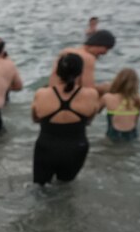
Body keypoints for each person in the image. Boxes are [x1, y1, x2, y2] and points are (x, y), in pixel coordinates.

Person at [31, 53, 99, 185]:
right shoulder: (91, 94)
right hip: (77, 148)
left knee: (40, 188)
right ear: (81, 72)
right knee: (65, 187)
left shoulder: (42, 94)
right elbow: (89, 120)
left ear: (57, 72)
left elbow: (35, 118)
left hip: (46, 148)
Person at [51, 30, 116, 95]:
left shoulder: (65, 51)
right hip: (71, 100)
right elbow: (89, 90)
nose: (105, 53)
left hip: (53, 95)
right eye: (106, 48)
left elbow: (53, 82)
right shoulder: (88, 58)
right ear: (99, 43)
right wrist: (103, 88)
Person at [100, 68, 140, 141]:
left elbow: (97, 110)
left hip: (113, 134)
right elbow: (136, 120)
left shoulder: (107, 97)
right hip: (133, 134)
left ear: (117, 81)